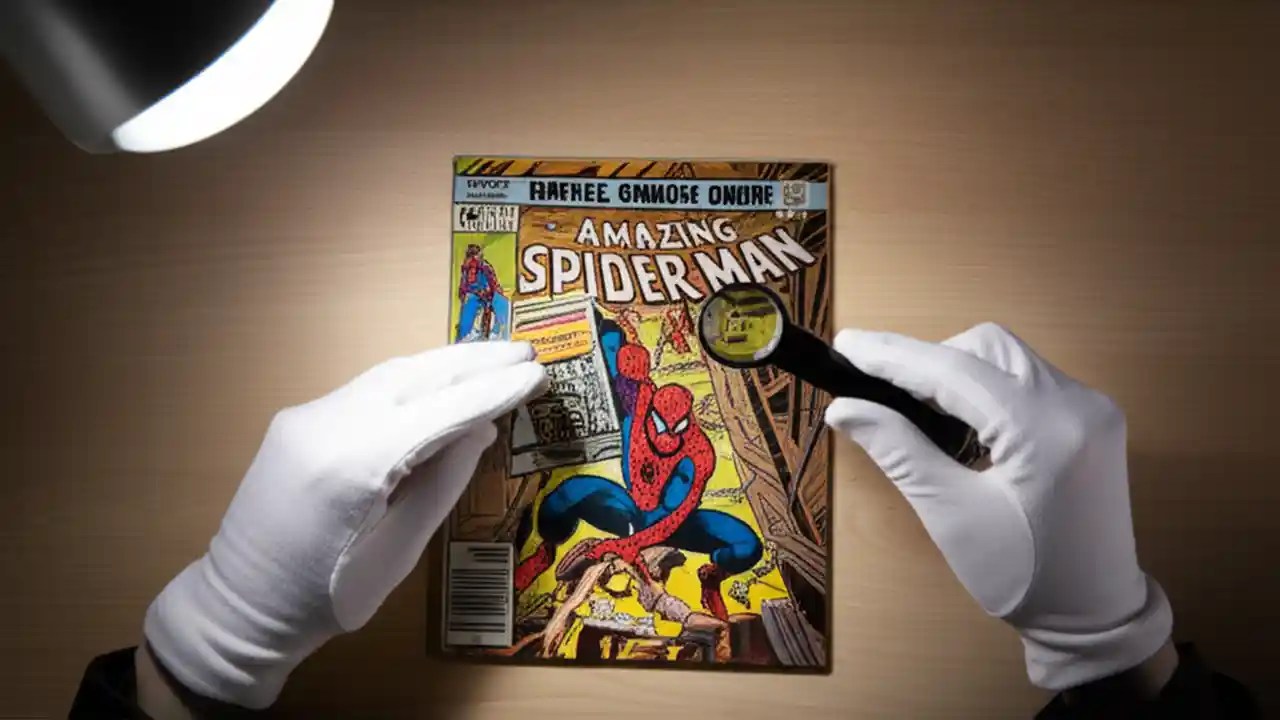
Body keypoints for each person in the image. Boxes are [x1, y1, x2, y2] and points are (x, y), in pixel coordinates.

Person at [70, 325, 1260, 719]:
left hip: (682, 539)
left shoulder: (683, 455)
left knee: (691, 540)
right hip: (636, 533)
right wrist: (1115, 659)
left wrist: (197, 669)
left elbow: (686, 497)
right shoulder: (638, 417)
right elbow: (624, 413)